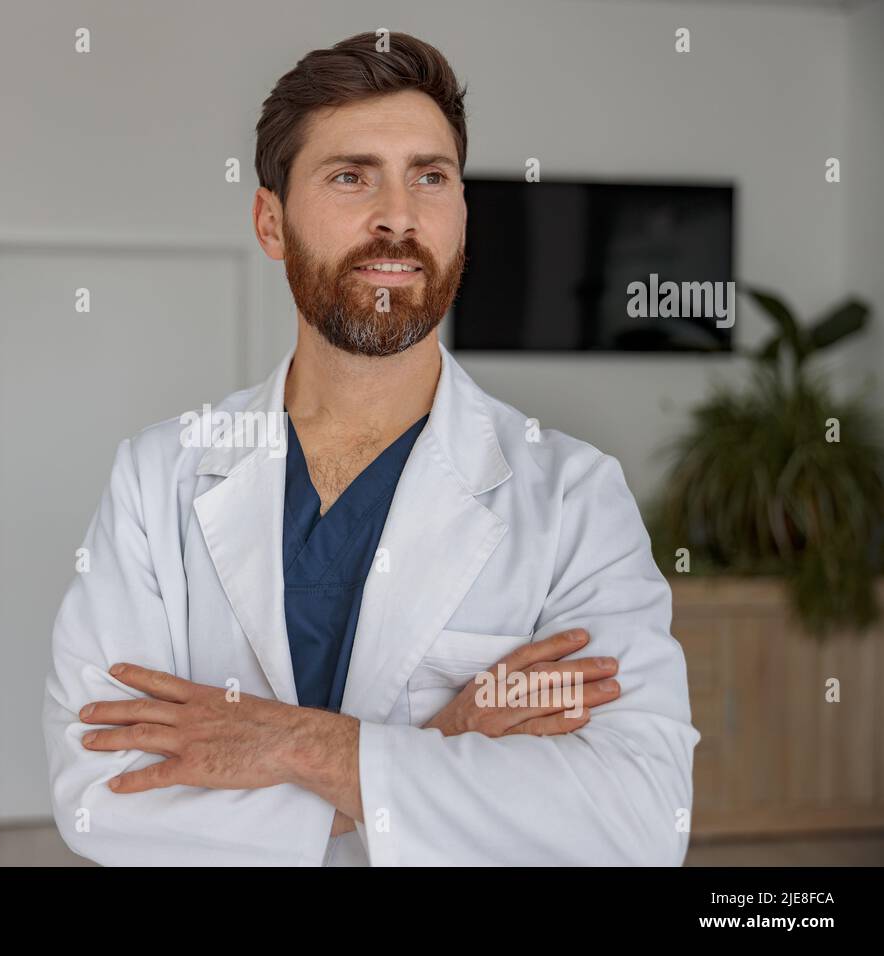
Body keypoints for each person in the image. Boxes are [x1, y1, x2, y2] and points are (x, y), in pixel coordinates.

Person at [42, 30, 699, 866]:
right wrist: (443, 741)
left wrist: (301, 746)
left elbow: (637, 823)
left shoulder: (573, 497)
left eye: (430, 176)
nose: (398, 214)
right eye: (351, 176)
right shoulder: (156, 479)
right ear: (271, 223)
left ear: (463, 216)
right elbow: (100, 795)